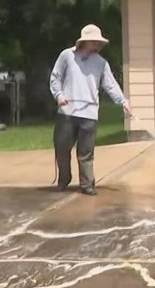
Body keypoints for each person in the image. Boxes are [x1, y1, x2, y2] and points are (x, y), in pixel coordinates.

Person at [49, 24, 132, 196]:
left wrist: (123, 101)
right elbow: (55, 77)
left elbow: (110, 85)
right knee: (62, 148)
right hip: (67, 112)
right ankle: (64, 179)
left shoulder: (101, 63)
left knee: (86, 153)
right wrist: (59, 95)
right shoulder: (67, 56)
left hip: (89, 114)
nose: (97, 45)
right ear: (84, 42)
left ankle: (87, 184)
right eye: (94, 42)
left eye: (98, 42)